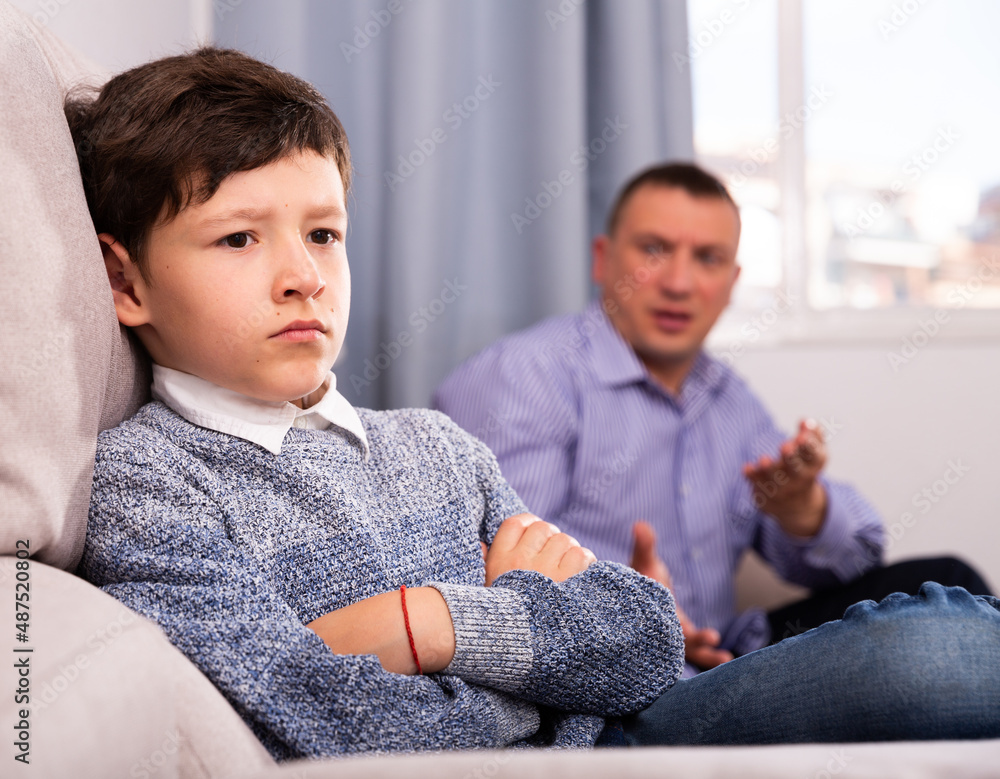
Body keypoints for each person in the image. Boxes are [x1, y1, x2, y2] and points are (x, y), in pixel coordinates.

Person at [73, 49, 1000, 759]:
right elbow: (308, 702)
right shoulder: (148, 480)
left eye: (325, 233)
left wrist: (426, 624)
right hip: (606, 736)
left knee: (948, 616)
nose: (303, 277)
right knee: (942, 651)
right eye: (238, 238)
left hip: (642, 708)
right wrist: (525, 640)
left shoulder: (433, 447)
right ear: (126, 281)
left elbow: (639, 638)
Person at [433, 162, 993, 674]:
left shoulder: (730, 402)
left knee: (947, 584)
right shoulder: (524, 375)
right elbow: (492, 574)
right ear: (603, 260)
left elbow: (855, 563)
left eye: (707, 258)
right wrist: (636, 621)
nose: (679, 282)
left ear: (731, 281)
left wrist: (806, 511)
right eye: (654, 249)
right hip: (609, 677)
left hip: (726, 659)